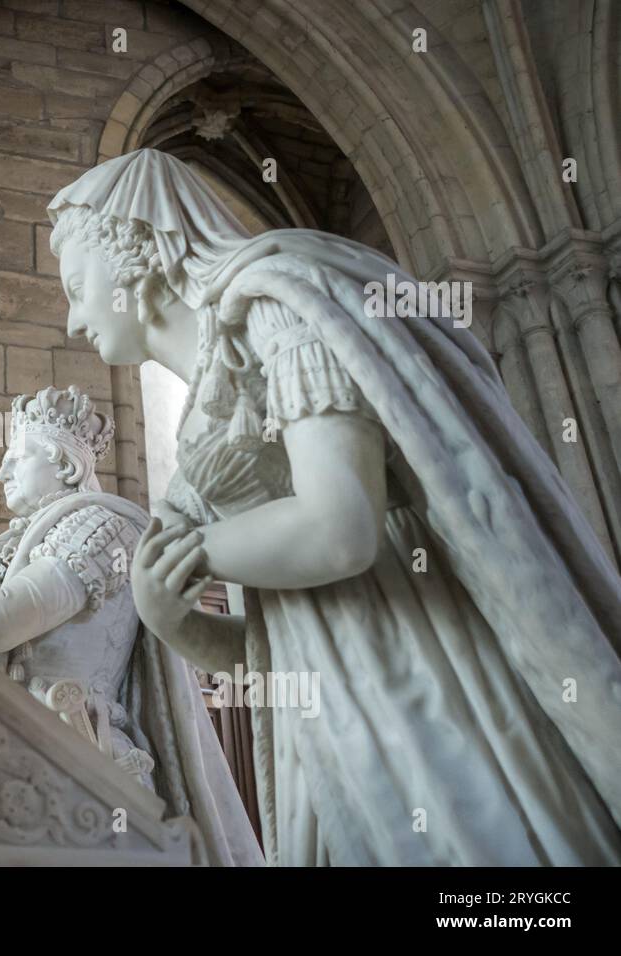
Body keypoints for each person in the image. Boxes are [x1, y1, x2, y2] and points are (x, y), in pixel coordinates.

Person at [46, 148, 621, 865]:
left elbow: (342, 529)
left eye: (75, 286)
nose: (72, 320)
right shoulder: (206, 418)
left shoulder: (282, 311)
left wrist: (194, 555)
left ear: (131, 250)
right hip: (324, 709)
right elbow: (268, 643)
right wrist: (170, 616)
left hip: (410, 652)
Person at [0, 385, 263, 865]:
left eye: (18, 457)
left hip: (79, 761)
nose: (2, 470)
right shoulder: (31, 541)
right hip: (16, 759)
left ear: (66, 464)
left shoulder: (101, 526)